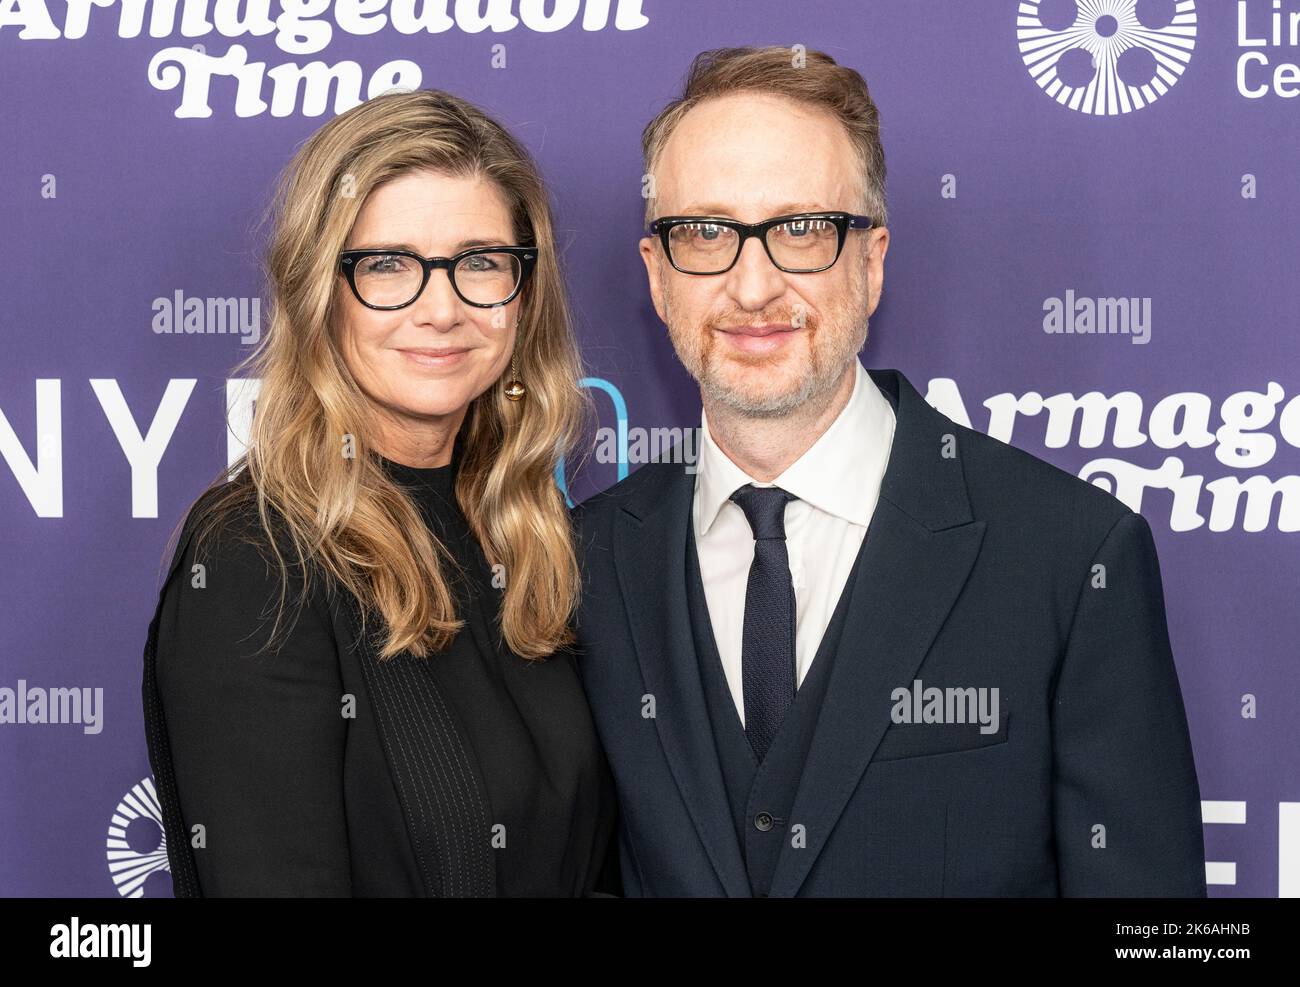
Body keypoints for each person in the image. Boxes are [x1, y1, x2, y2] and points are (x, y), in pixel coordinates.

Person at [572, 46, 1206, 897]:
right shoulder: (586, 560)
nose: (752, 286)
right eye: (707, 233)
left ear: (870, 264)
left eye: (801, 229)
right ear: (658, 275)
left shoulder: (1071, 556)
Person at [142, 88, 617, 897]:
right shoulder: (256, 563)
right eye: (389, 265)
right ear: (319, 293)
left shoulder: (532, 535)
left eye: (480, 263)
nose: (442, 308)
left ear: (524, 292)